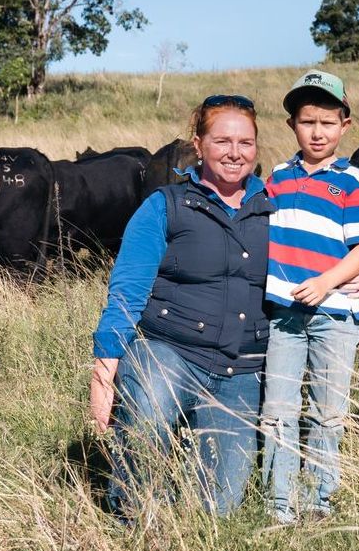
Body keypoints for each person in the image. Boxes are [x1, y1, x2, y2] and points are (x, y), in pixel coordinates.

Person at [88, 94, 274, 518]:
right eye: (222, 141)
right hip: (171, 353)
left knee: (218, 509)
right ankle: (132, 521)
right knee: (147, 420)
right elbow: (127, 289)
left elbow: (318, 262)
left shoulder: (275, 208)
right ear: (199, 143)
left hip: (241, 367)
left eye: (245, 142)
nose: (234, 153)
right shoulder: (164, 206)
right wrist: (105, 369)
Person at [259, 70, 359, 523]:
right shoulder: (278, 177)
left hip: (334, 313)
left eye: (328, 123)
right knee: (279, 408)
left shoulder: (353, 181)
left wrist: (328, 282)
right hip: (285, 313)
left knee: (328, 410)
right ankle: (279, 502)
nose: (317, 132)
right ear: (293, 124)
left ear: (345, 126)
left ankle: (318, 499)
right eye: (308, 121)